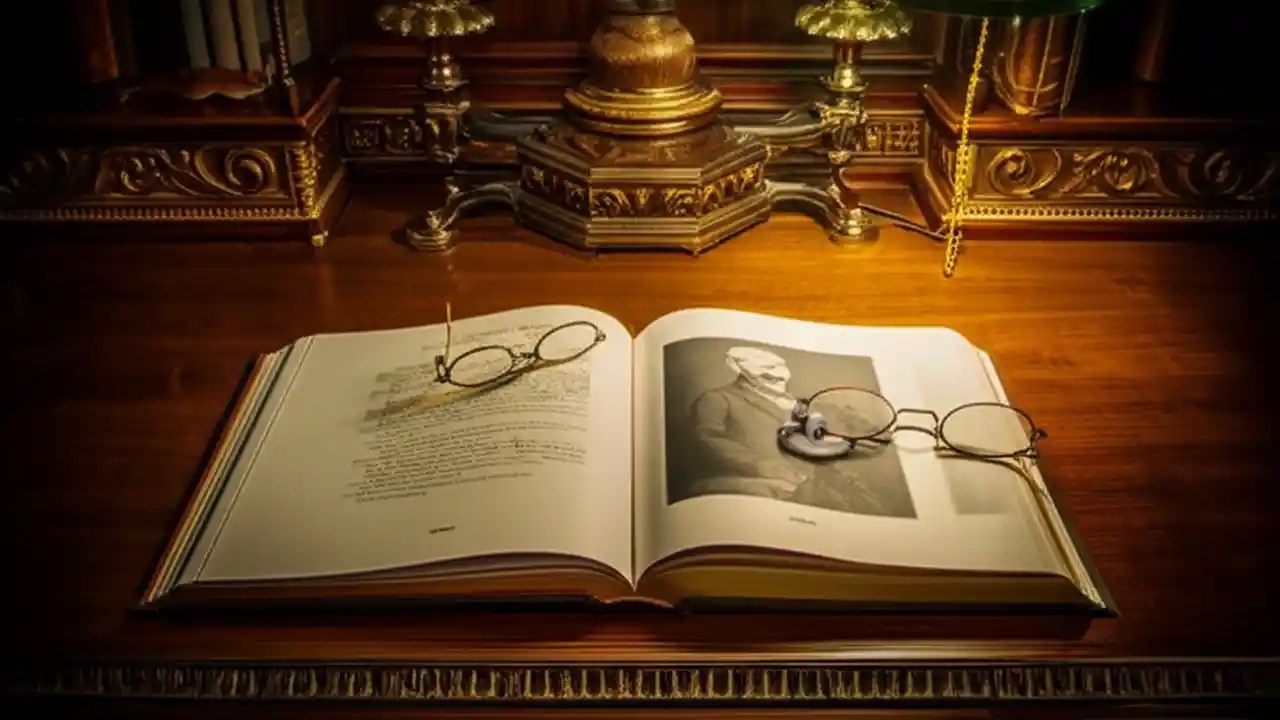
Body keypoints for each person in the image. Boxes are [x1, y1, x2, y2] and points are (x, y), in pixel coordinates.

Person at [683, 346, 914, 517]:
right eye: (768, 374)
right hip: (760, 482)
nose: (778, 379)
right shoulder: (717, 399)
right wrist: (758, 465)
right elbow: (708, 439)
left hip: (818, 482)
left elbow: (822, 437)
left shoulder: (803, 404)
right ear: (742, 371)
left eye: (780, 373)